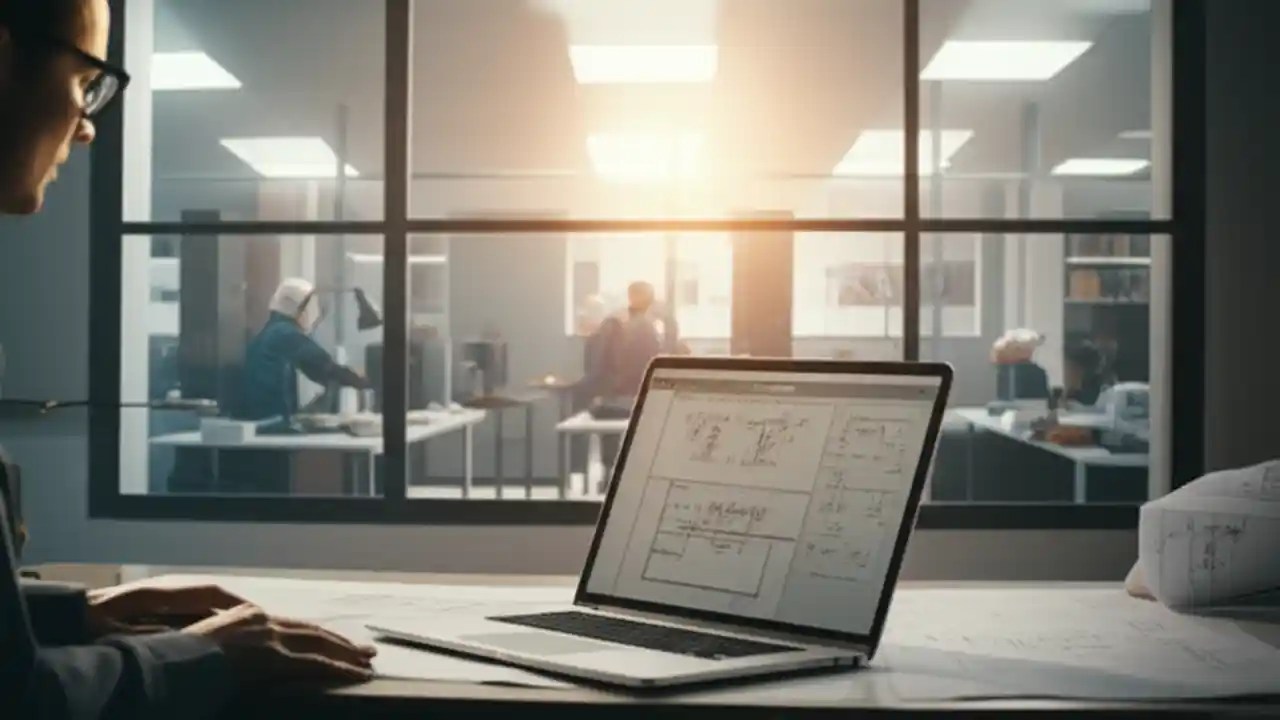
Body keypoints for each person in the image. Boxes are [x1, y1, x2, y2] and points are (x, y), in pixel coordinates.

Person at [0, 0, 375, 717]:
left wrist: (78, 611)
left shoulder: (274, 331)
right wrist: (203, 655)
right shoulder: (285, 334)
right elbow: (18, 699)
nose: (87, 127)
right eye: (86, 82)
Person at [238, 278, 370, 422]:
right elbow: (324, 366)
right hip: (272, 422)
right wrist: (362, 381)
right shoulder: (285, 333)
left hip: (264, 419)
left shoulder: (272, 331)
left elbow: (316, 371)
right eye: (310, 305)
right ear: (299, 308)